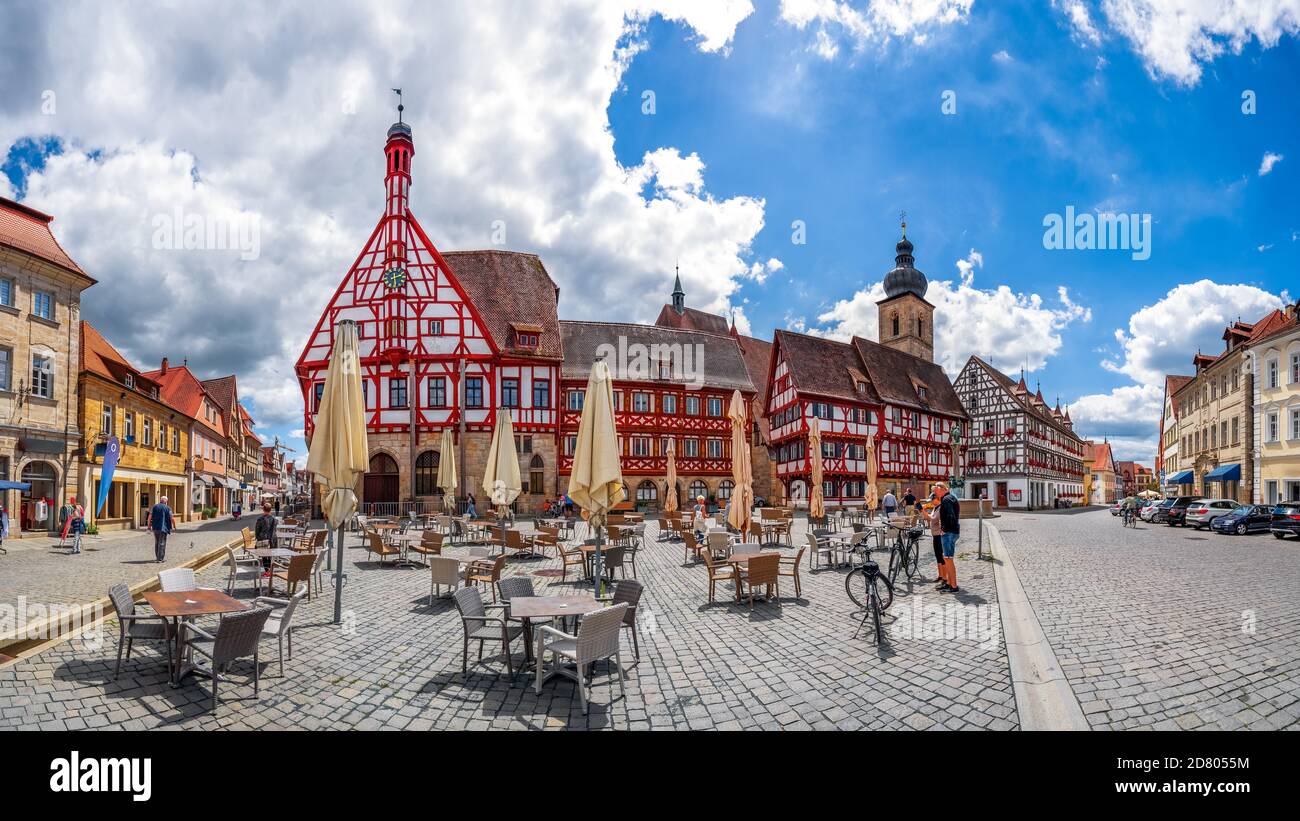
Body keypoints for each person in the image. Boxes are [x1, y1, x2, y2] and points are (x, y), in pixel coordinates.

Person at [936, 482, 960, 593]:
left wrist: (944, 529)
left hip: (949, 533)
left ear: (941, 489)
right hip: (952, 532)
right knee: (947, 558)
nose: (935, 493)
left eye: (936, 490)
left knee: (948, 559)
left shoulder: (946, 500)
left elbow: (951, 516)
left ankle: (954, 586)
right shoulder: (951, 498)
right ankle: (950, 583)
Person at [923, 486, 949, 591]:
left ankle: (945, 579)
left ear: (937, 499)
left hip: (939, 535)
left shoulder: (941, 507)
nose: (931, 502)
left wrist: (923, 511)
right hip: (935, 535)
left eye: (932, 500)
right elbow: (928, 518)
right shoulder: (935, 508)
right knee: (938, 556)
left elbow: (933, 520)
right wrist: (924, 512)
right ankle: (940, 576)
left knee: (942, 557)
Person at [147, 495, 175, 563]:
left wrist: (149, 526)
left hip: (155, 527)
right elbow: (172, 518)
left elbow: (150, 517)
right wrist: (174, 526)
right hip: (163, 528)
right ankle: (160, 559)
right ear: (166, 501)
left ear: (160, 500)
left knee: (157, 542)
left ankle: (157, 557)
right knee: (162, 542)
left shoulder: (154, 507)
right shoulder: (168, 508)